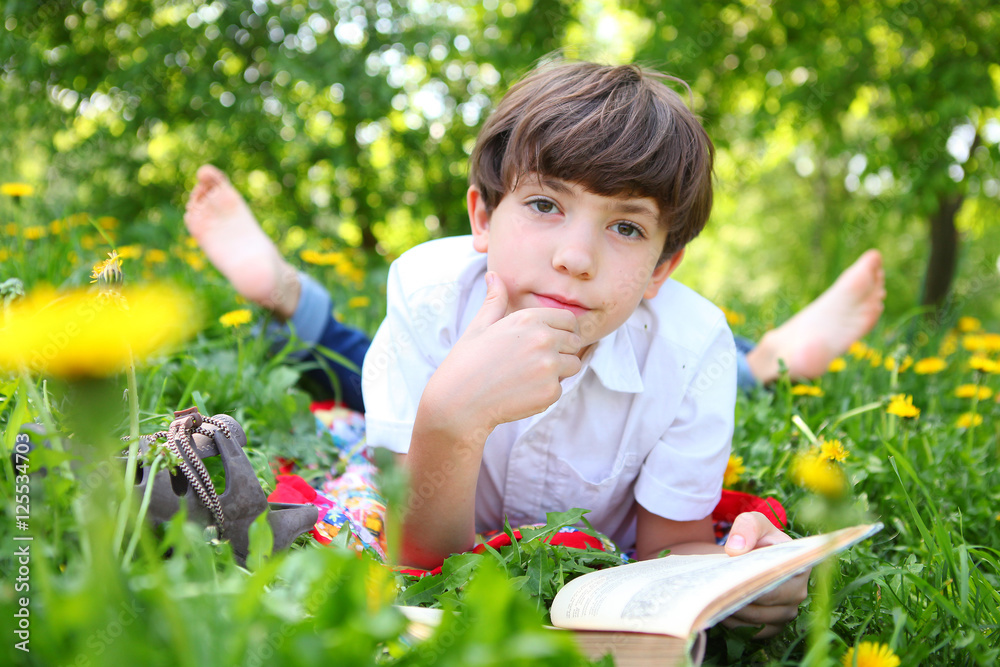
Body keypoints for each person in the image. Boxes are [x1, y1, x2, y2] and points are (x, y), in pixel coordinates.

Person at [184, 61, 885, 637]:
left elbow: (672, 547)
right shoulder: (431, 293)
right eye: (546, 205)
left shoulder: (685, 343)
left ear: (663, 266)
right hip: (440, 385)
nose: (575, 258)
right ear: (482, 217)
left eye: (628, 228)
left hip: (669, 342)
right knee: (356, 374)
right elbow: (419, 553)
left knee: (706, 358)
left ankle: (770, 358)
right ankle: (290, 296)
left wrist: (740, 576)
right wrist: (452, 417)